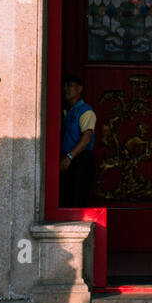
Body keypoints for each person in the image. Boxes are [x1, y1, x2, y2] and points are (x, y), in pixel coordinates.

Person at [60, 75, 96, 206]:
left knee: (77, 201)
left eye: (70, 86)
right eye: (65, 86)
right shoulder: (65, 111)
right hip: (66, 161)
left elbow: (87, 138)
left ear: (80, 89)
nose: (66, 89)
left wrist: (70, 157)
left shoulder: (86, 111)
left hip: (80, 159)